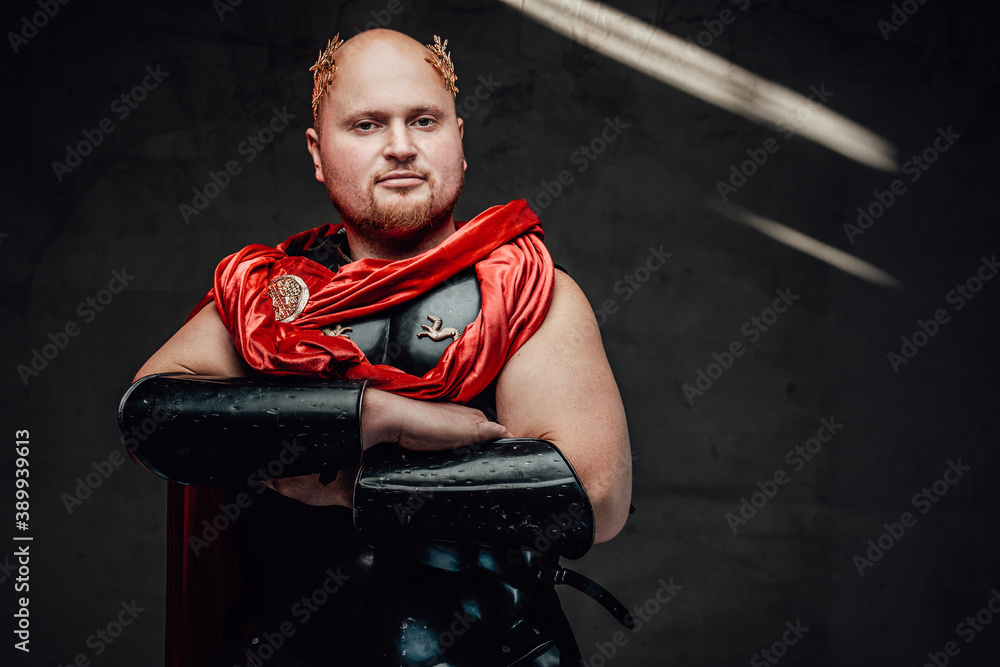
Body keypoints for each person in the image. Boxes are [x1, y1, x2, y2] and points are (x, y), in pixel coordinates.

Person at [120, 28, 632, 667]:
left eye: (424, 121)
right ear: (317, 151)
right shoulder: (268, 297)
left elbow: (588, 493)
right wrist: (374, 416)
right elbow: (154, 417)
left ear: (459, 140)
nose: (400, 147)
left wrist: (351, 485)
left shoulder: (524, 290)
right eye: (366, 125)